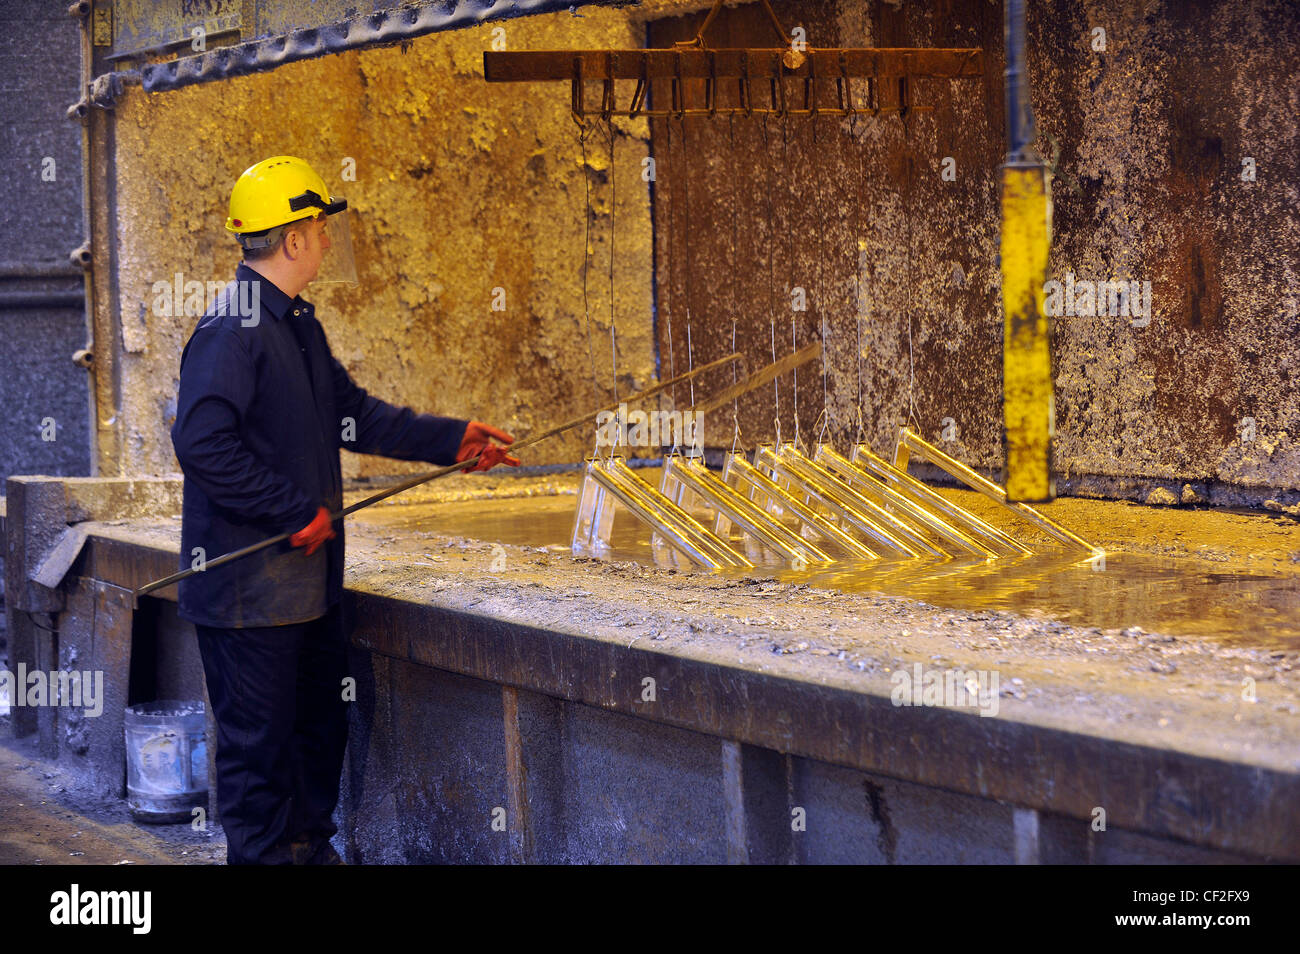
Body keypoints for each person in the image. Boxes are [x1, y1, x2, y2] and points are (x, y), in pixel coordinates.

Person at [170, 155, 519, 865]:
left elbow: (352, 414)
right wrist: (289, 509)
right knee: (259, 762)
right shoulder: (230, 330)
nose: (329, 242)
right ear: (293, 239)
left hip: (305, 594)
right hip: (249, 599)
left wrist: (451, 439)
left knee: (315, 744)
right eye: (321, 229)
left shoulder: (296, 321)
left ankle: (310, 855)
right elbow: (201, 442)